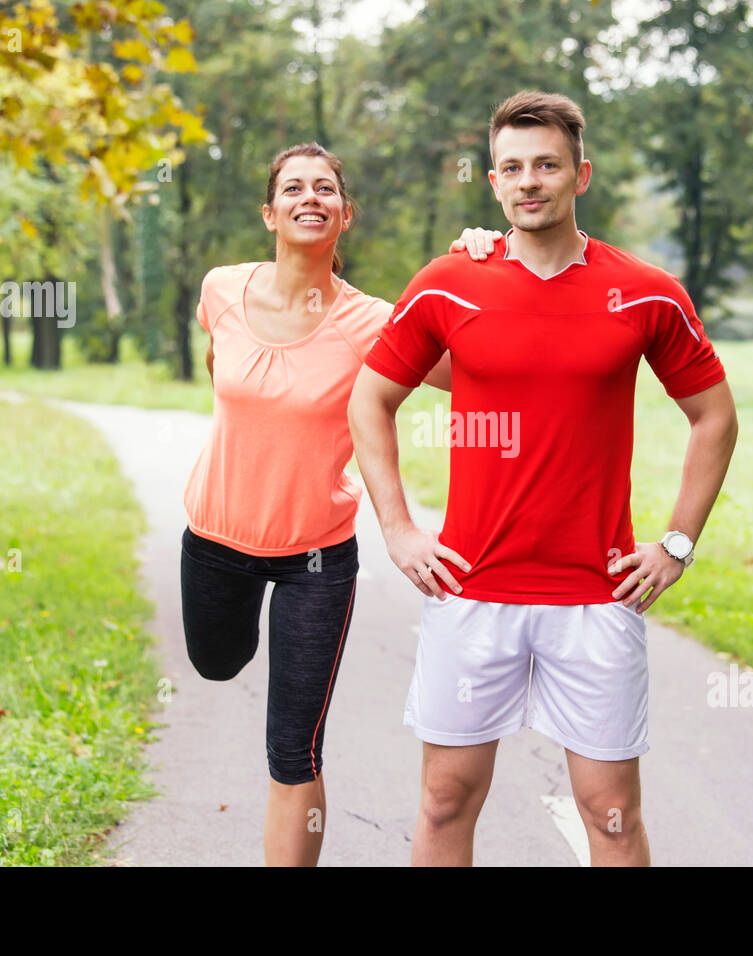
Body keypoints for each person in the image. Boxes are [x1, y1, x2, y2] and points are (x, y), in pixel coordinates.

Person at [348, 91, 740, 866]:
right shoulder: (450, 283)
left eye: (547, 166)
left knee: (612, 811)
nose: (530, 181)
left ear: (580, 175)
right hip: (472, 589)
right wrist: (396, 529)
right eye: (513, 168)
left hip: (595, 595)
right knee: (443, 801)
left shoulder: (647, 292)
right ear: (493, 183)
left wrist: (677, 543)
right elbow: (370, 398)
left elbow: (715, 418)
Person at [180, 141, 501, 867]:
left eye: (325, 188)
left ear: (345, 214)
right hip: (215, 538)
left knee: (294, 749)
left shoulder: (372, 323)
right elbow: (219, 372)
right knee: (216, 664)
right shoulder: (222, 289)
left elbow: (475, 366)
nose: (309, 197)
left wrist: (481, 267)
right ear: (270, 212)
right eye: (292, 187)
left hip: (315, 560)